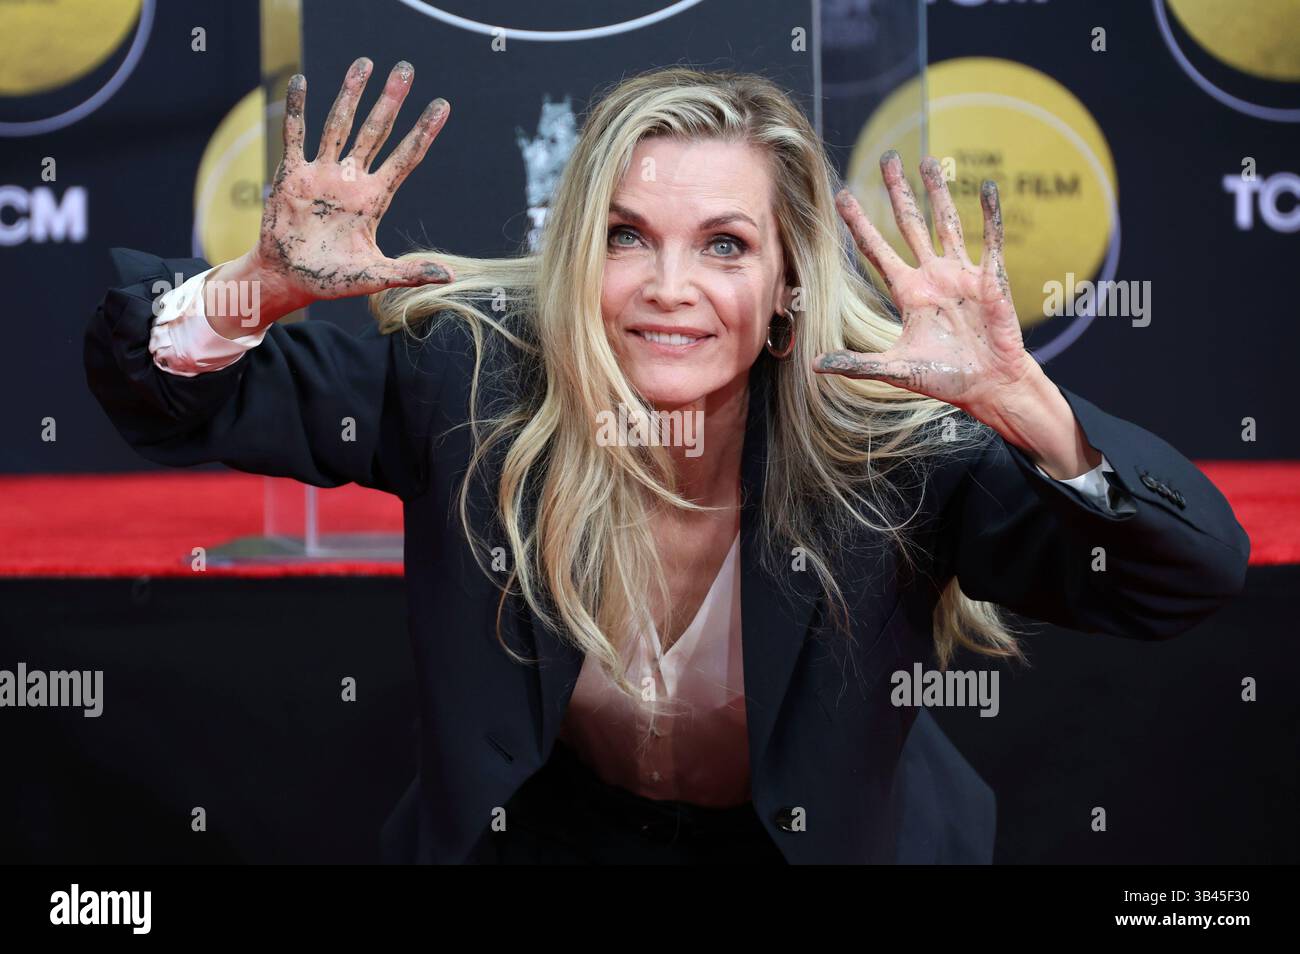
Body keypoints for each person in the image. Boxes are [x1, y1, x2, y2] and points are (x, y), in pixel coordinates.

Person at [84, 59, 1250, 864]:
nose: (668, 287)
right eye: (626, 236)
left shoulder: (894, 449)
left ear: (789, 283)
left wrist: (1030, 408)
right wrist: (262, 287)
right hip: (545, 838)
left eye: (726, 246)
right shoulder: (468, 386)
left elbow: (1185, 573)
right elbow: (157, 386)